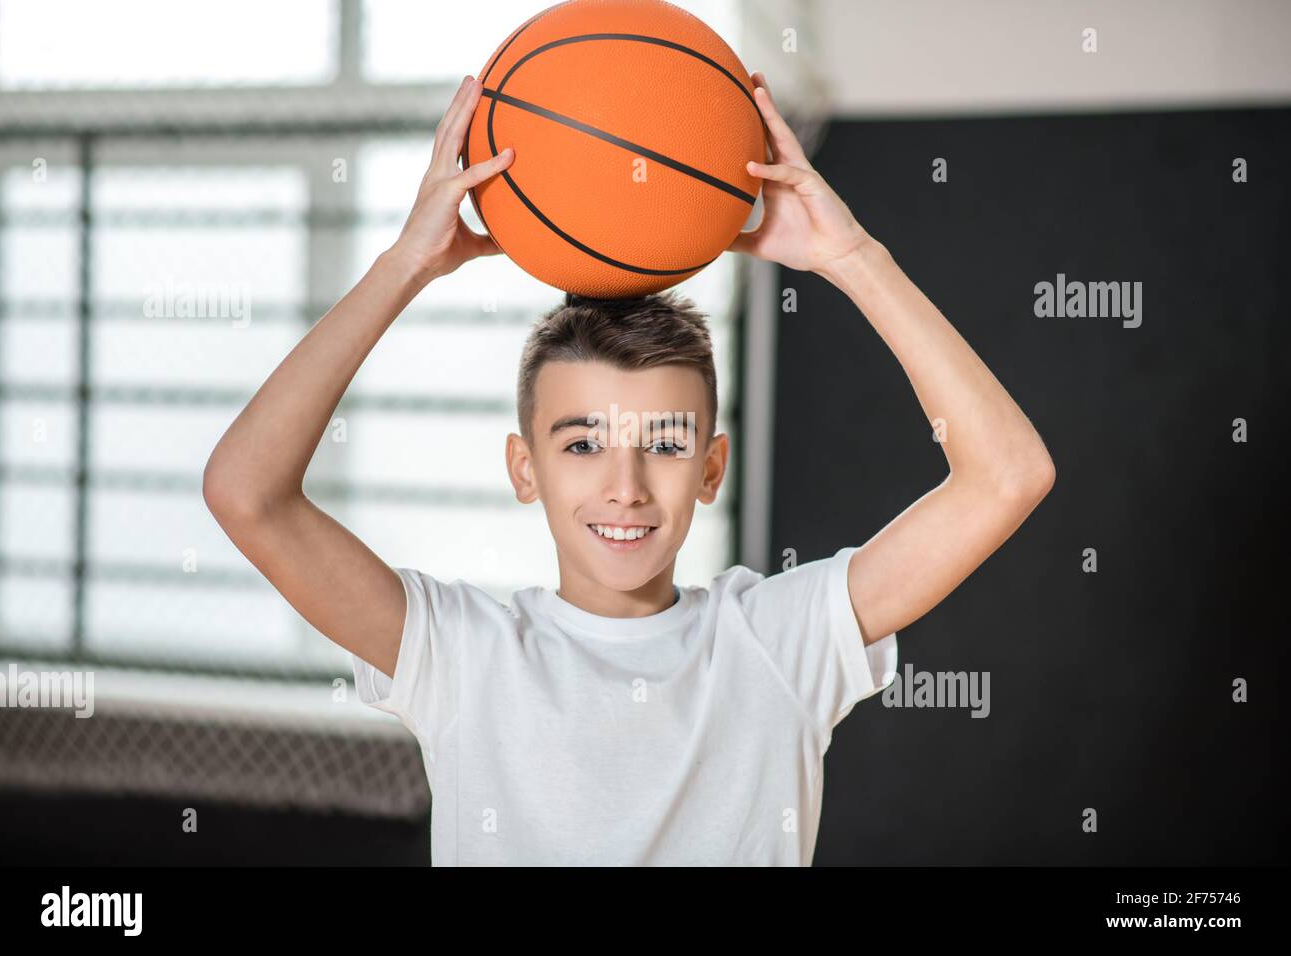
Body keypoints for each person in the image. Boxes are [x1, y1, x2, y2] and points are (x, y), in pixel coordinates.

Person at [203, 72, 1054, 865]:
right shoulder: (460, 655)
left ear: (712, 467)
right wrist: (405, 265)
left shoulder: (776, 643)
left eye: (667, 444)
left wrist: (852, 258)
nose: (626, 486)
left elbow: (1008, 475)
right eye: (581, 444)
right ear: (523, 466)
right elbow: (246, 493)